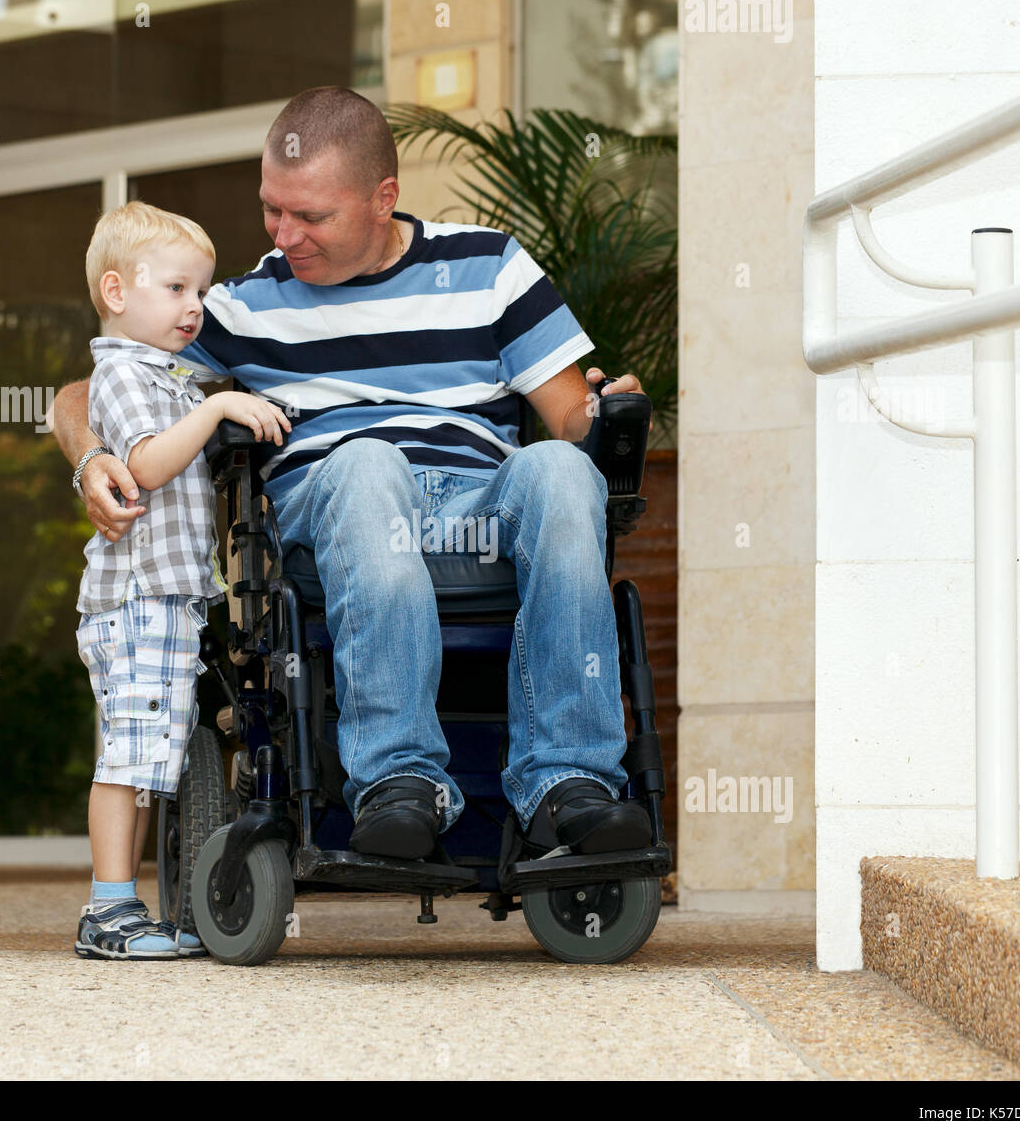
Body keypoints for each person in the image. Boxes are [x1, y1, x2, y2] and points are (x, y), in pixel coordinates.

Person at [52, 87, 650, 863]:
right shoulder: (241, 306)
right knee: (368, 463)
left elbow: (571, 415)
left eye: (312, 216)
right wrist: (93, 455)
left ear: (383, 199)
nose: (284, 235)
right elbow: (86, 389)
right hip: (338, 504)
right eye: (273, 209)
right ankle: (400, 779)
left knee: (563, 471)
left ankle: (569, 783)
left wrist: (605, 412)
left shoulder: (489, 266)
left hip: (477, 504)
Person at [71, 201, 291, 958]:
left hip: (162, 601)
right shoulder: (125, 376)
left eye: (200, 291)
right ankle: (107, 909)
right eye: (175, 289)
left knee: (148, 753)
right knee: (127, 758)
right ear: (117, 291)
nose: (194, 307)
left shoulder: (162, 376)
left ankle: (126, 904)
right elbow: (145, 464)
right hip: (135, 602)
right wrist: (219, 404)